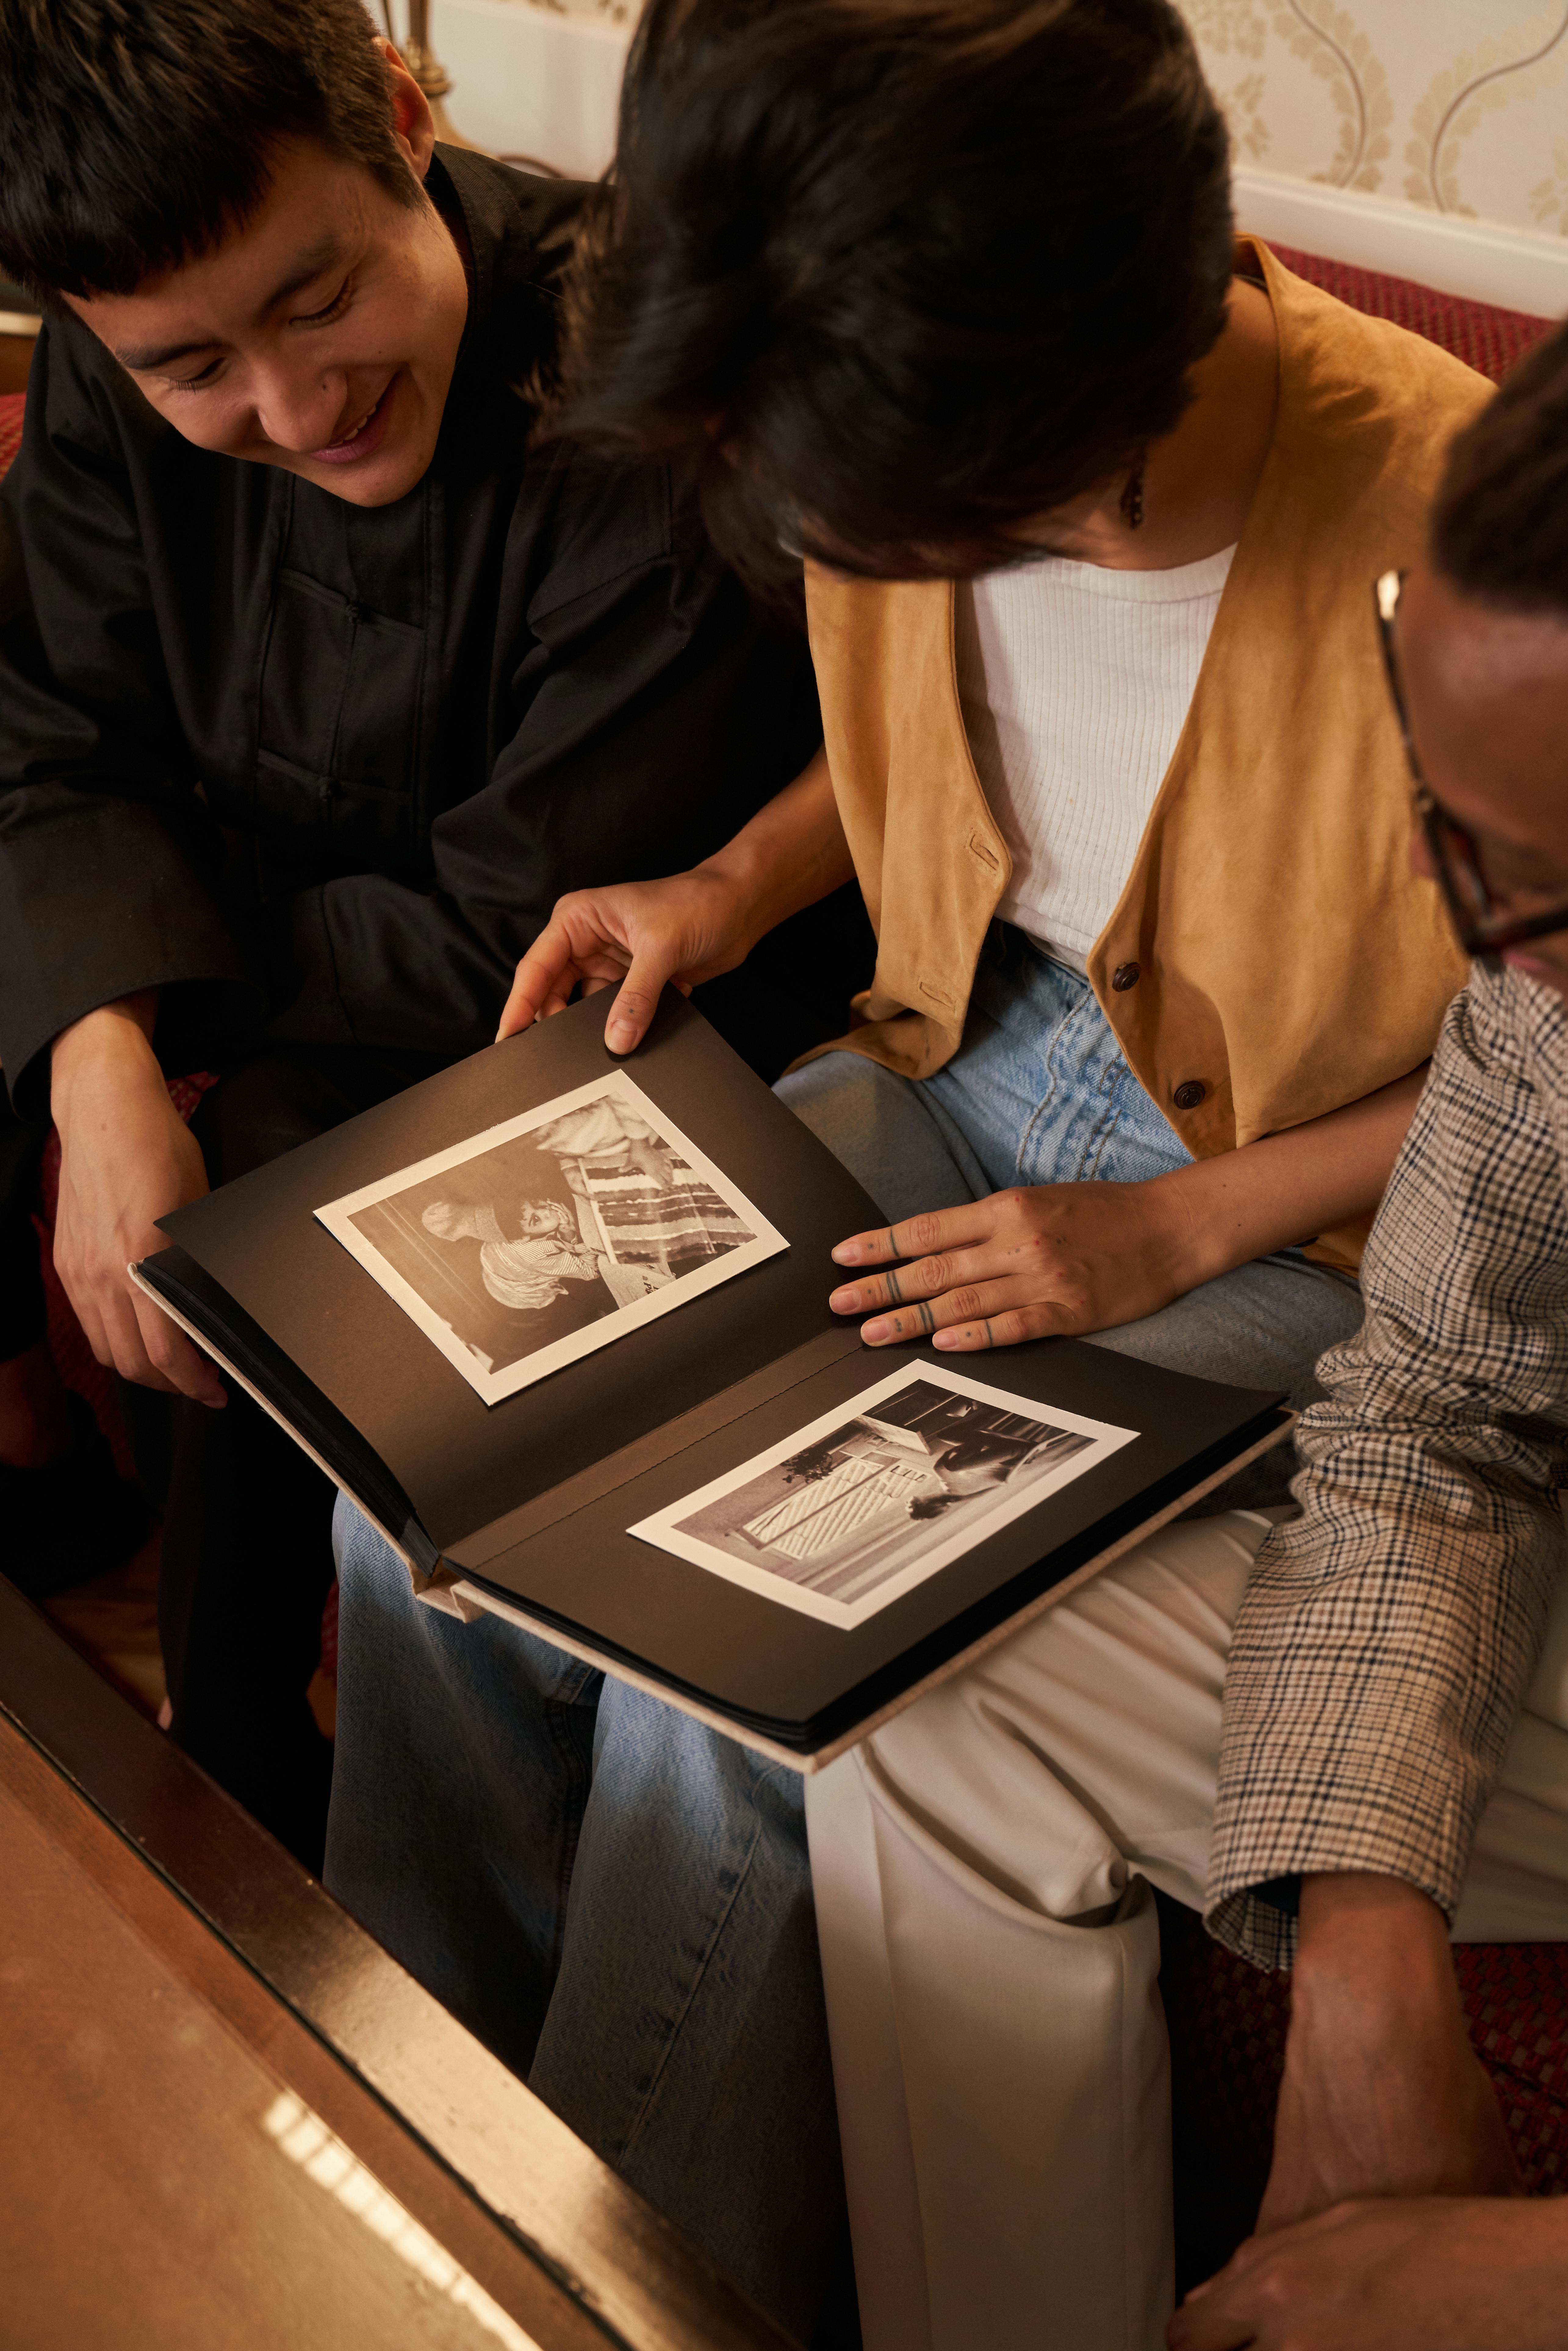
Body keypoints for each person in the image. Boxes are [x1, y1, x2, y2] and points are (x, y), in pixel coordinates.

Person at [324, 2, 1512, 2336]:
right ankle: (397, 2125)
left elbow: (1545, 1067)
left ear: (1094, 426)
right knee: (411, 1485)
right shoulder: (867, 386)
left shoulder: (1458, 527)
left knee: (726, 1674)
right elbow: (941, 782)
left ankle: (602, 2283)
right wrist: (733, 892)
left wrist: (1171, 1224)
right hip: (955, 1063)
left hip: (1305, 1215)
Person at [0, 0, 863, 1863]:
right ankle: (42, 1490)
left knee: (262, 1168)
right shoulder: (112, 362)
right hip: (255, 913)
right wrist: (100, 1042)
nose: (296, 412)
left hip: (590, 996)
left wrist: (153, 1004)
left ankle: (230, 1742)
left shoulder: (652, 388)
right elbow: (60, 727)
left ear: (400, 118)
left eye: (320, 301)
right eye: (191, 371)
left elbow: (507, 922)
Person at [1153, 313, 1568, 2351]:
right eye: (1462, 852)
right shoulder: (1535, 947)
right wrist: (1359, 1934)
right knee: (926, 1718)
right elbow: (1432, 1408)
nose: (1509, 983)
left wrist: (1505, 2281)